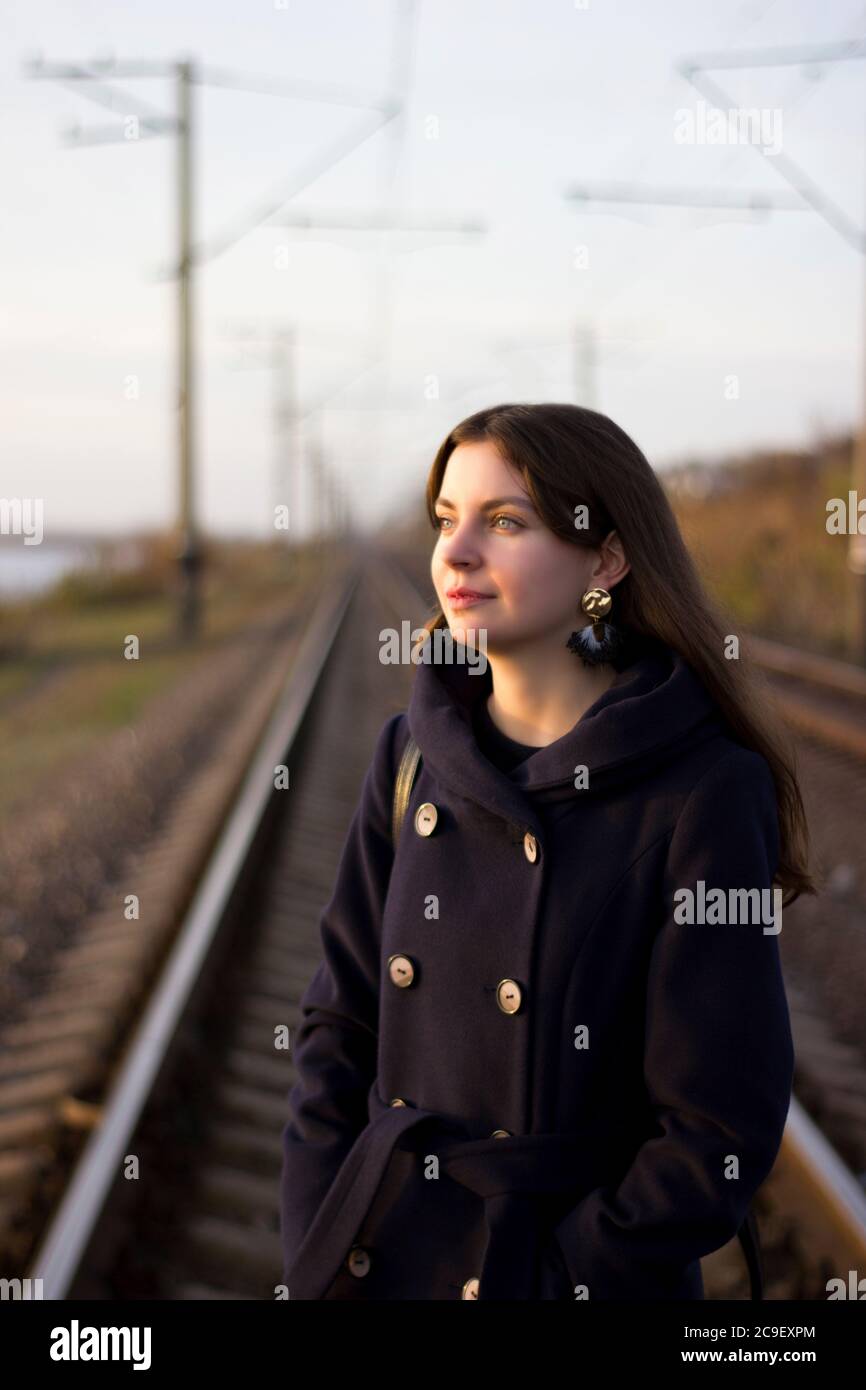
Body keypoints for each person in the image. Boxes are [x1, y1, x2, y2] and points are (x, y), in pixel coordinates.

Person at [279, 402, 816, 1301]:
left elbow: (719, 1128)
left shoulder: (702, 793)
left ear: (605, 560)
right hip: (381, 1263)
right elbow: (338, 1030)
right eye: (448, 521)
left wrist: (563, 1272)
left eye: (505, 523)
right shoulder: (409, 758)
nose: (455, 554)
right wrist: (319, 1237)